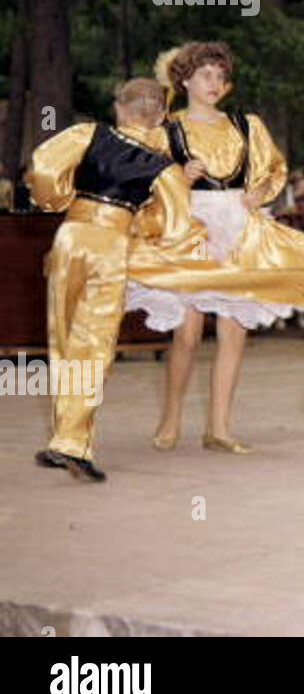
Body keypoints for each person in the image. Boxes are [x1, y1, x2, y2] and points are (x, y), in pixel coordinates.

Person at [127, 41, 304, 454]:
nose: (215, 82)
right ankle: (170, 420)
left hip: (239, 229)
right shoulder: (166, 131)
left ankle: (220, 428)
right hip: (190, 230)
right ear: (185, 79)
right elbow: (144, 184)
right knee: (187, 335)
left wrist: (260, 190)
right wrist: (179, 177)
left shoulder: (247, 126)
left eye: (220, 75)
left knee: (234, 332)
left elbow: (275, 169)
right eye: (205, 74)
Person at [27, 80, 196, 480]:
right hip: (112, 246)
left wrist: (60, 199)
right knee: (95, 342)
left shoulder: (88, 134)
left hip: (71, 236)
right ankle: (71, 443)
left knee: (64, 335)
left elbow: (42, 169)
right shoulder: (164, 168)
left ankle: (65, 437)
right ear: (158, 115)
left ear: (119, 107)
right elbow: (175, 226)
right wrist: (140, 226)